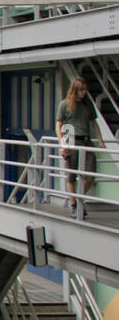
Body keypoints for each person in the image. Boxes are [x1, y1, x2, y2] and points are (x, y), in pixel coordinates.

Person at [57, 77, 97, 216]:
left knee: (91, 175)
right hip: (71, 140)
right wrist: (62, 143)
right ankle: (74, 204)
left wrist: (101, 141)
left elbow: (94, 122)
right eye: (81, 90)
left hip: (86, 141)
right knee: (71, 176)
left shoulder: (88, 104)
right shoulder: (65, 104)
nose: (84, 93)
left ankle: (78, 198)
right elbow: (59, 125)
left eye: (85, 90)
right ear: (75, 90)